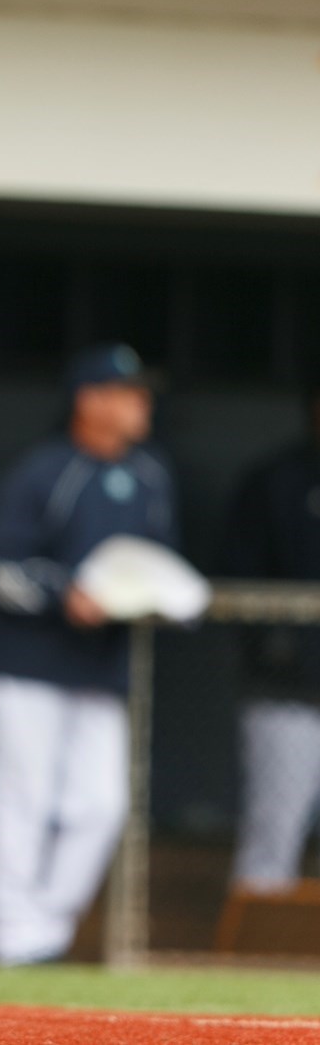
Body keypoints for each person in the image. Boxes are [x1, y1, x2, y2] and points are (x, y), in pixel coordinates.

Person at [0, 343, 175, 966]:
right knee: (23, 796)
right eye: (127, 393)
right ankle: (13, 937)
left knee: (102, 803)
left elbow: (157, 564)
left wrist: (156, 598)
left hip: (99, 668)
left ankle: (46, 932)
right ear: (89, 400)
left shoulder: (149, 475)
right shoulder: (46, 467)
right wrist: (66, 594)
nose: (141, 405)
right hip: (26, 666)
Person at [223, 383, 320, 896]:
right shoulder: (276, 479)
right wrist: (274, 641)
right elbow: (237, 569)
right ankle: (251, 964)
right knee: (275, 829)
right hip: (290, 690)